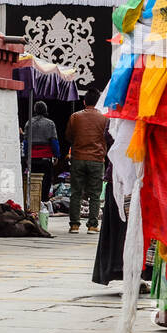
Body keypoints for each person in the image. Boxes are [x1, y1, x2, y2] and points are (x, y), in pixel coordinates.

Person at [65, 91, 108, 234]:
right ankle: (92, 225)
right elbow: (108, 137)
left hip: (78, 158)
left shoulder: (75, 116)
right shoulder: (104, 118)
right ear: (99, 101)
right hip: (96, 159)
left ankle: (74, 225)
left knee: (76, 192)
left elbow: (69, 136)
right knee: (95, 194)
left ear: (84, 102)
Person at [24, 100, 58, 202]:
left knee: (33, 181)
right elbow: (54, 141)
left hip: (32, 158)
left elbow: (26, 142)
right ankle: (43, 202)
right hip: (46, 158)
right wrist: (56, 155)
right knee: (46, 181)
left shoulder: (28, 123)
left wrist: (26, 156)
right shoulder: (50, 124)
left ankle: (33, 203)